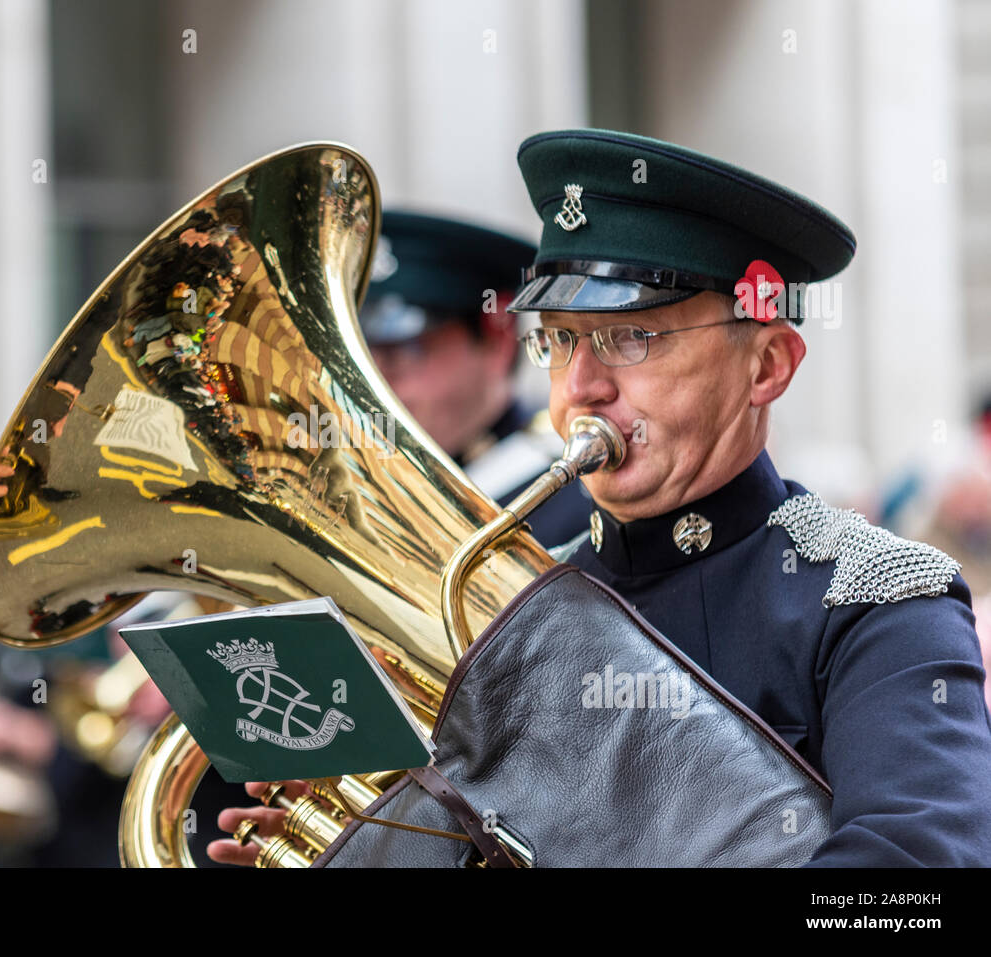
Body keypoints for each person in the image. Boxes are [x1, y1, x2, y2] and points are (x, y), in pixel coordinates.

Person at [211, 129, 991, 867]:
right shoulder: (507, 608)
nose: (581, 387)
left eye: (631, 338)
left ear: (767, 367)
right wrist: (383, 842)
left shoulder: (876, 597)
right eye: (557, 340)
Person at [359, 210, 587, 547]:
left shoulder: (571, 502)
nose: (373, 382)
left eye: (404, 351)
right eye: (364, 352)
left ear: (498, 336)